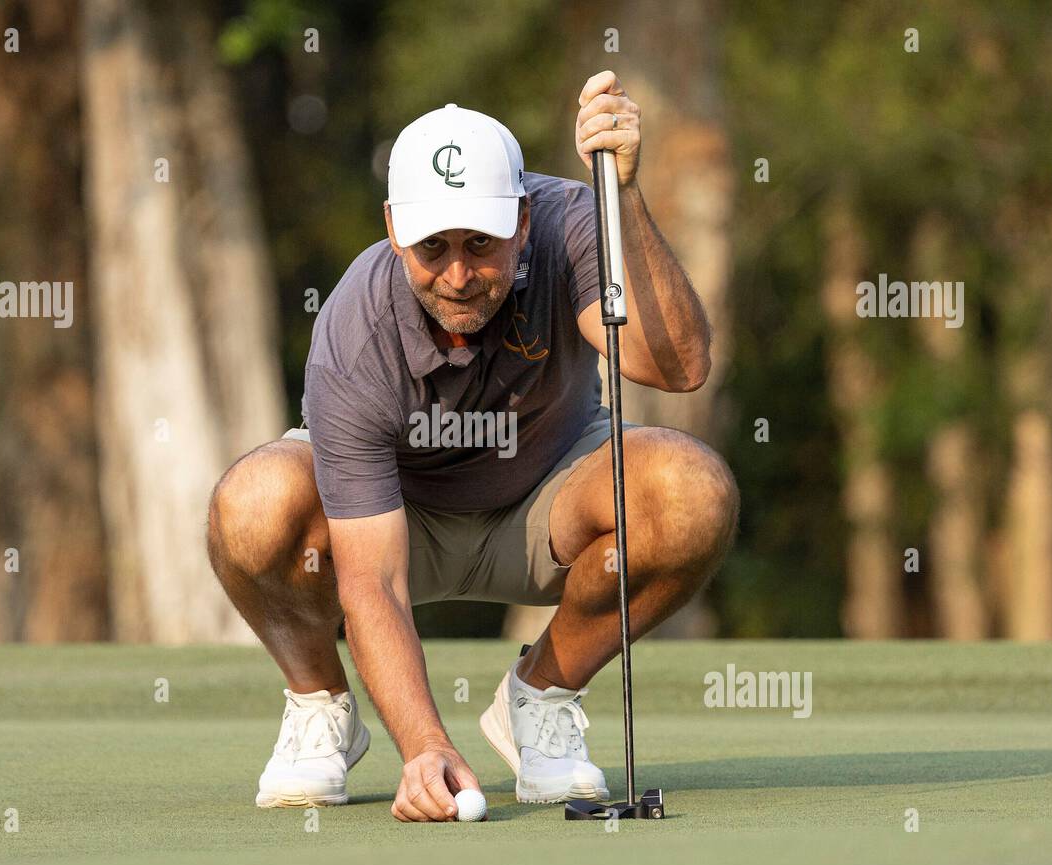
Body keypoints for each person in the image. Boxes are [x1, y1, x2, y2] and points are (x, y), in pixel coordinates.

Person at [207, 71, 738, 822]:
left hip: (547, 498)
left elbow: (676, 367)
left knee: (693, 490)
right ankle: (322, 703)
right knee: (253, 503)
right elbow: (374, 586)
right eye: (434, 247)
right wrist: (425, 745)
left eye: (481, 244)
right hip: (400, 520)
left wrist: (627, 202)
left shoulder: (577, 221)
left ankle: (541, 697)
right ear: (394, 229)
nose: (459, 275)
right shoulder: (354, 330)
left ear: (523, 220)